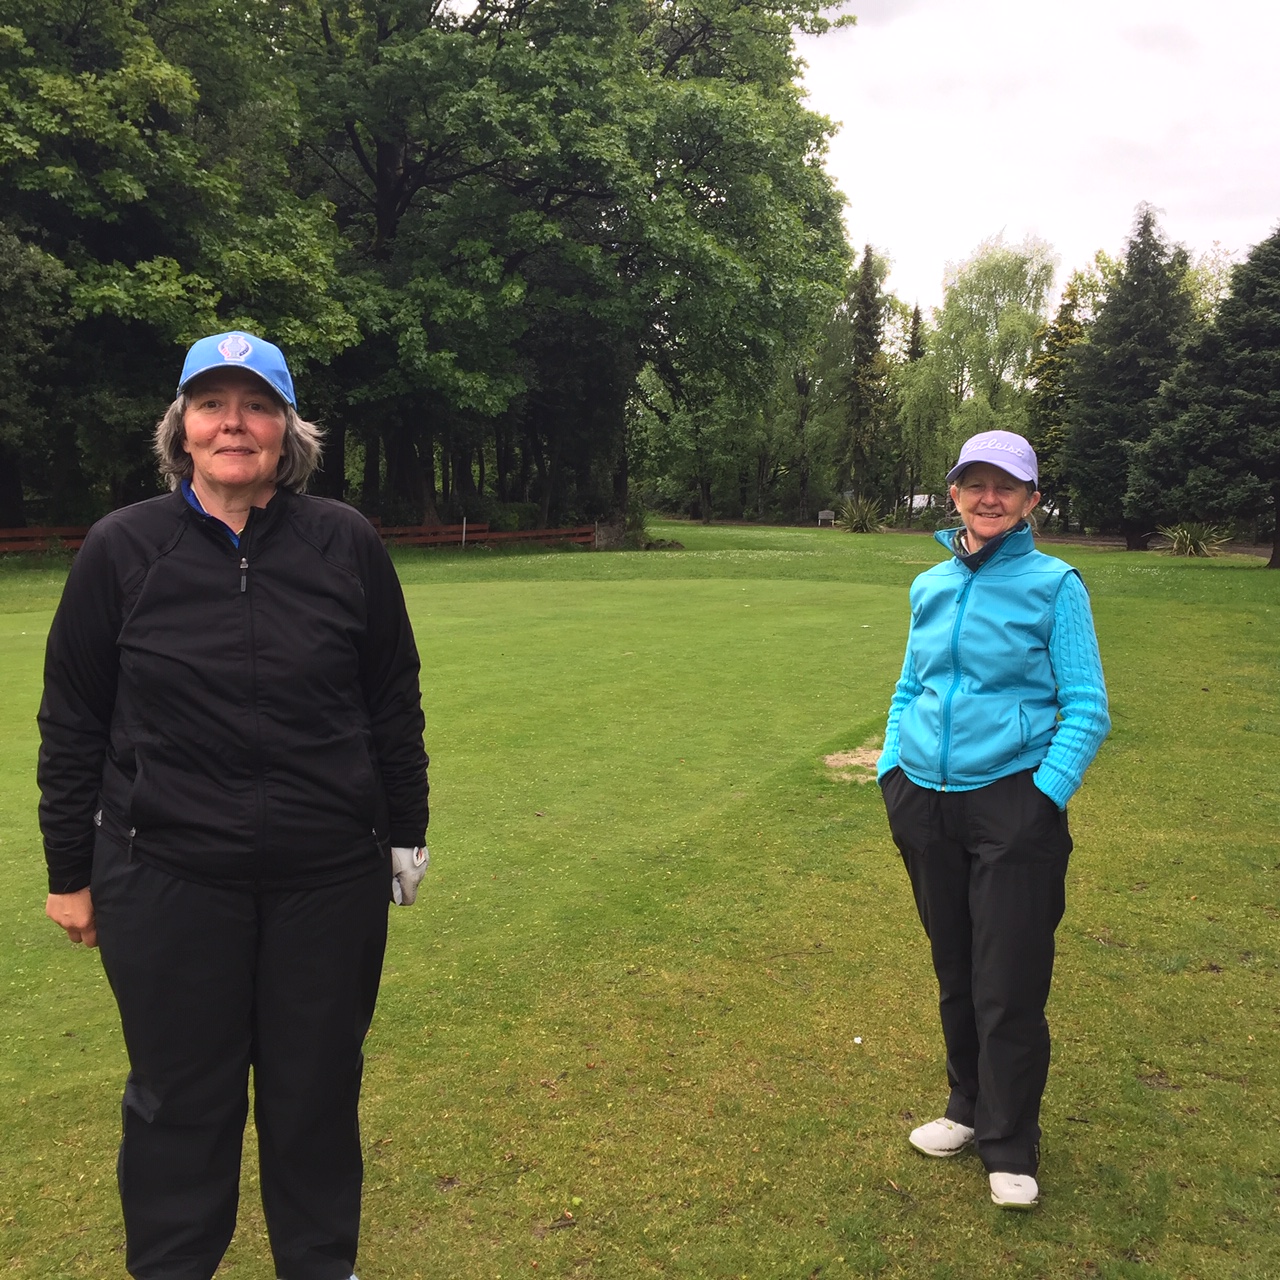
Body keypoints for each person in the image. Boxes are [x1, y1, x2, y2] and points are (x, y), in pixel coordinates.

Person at [38, 331, 430, 1279]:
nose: (233, 425)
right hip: (168, 879)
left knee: (316, 1098)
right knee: (179, 1103)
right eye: (212, 405)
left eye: (255, 406)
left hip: (326, 879)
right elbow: (74, 719)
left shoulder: (344, 542)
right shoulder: (122, 548)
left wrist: (407, 833)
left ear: (287, 430)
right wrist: (69, 874)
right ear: (182, 426)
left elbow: (391, 699)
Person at [876, 430, 1110, 1210]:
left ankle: (1011, 1144)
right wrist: (891, 771)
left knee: (1007, 980)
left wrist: (1042, 797)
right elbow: (910, 687)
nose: (989, 497)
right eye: (975, 484)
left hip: (1013, 800)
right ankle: (967, 1110)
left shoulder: (1055, 584)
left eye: (1005, 486)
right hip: (926, 800)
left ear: (1031, 499)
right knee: (955, 969)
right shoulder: (930, 585)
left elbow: (1086, 707)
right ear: (955, 494)